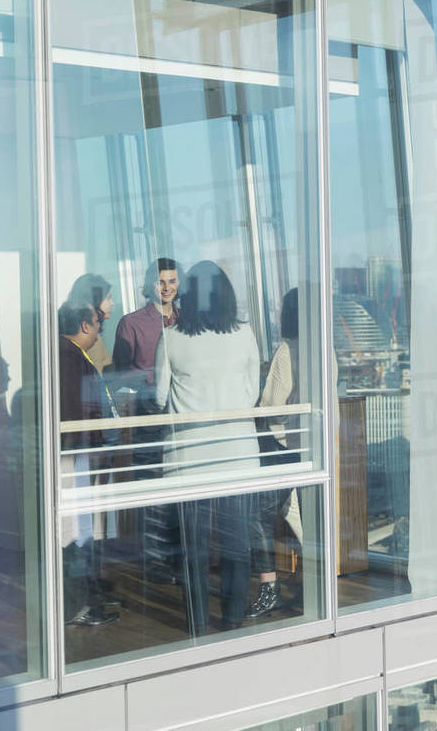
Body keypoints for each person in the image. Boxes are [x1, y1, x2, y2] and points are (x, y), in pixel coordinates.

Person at [155, 261, 260, 633]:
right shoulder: (245, 333)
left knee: (192, 548)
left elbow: (158, 395)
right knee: (237, 544)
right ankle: (231, 619)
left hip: (188, 457)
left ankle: (198, 623)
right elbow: (253, 392)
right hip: (237, 451)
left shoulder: (170, 338)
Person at [113, 258, 183, 585]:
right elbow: (119, 374)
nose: (167, 287)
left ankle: (181, 558)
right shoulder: (132, 323)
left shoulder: (188, 322)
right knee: (153, 489)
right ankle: (155, 562)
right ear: (149, 284)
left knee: (181, 486)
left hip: (183, 412)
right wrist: (153, 377)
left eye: (172, 281)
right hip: (149, 412)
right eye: (161, 282)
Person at [58, 299, 121, 627]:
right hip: (75, 457)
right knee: (76, 534)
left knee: (77, 532)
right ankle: (76, 606)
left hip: (73, 456)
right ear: (85, 326)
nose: (99, 327)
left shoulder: (62, 355)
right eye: (98, 322)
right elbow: (79, 415)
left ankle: (80, 600)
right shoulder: (71, 360)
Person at [246, 288, 303, 620]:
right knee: (294, 510)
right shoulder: (327, 349)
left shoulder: (286, 351)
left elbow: (272, 408)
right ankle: (317, 581)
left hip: (282, 448)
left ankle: (269, 589)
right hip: (312, 446)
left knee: (259, 514)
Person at [67, 273, 115, 372]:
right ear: (95, 300)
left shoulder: (85, 332)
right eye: (108, 298)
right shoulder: (88, 338)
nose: (112, 303)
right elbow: (95, 383)